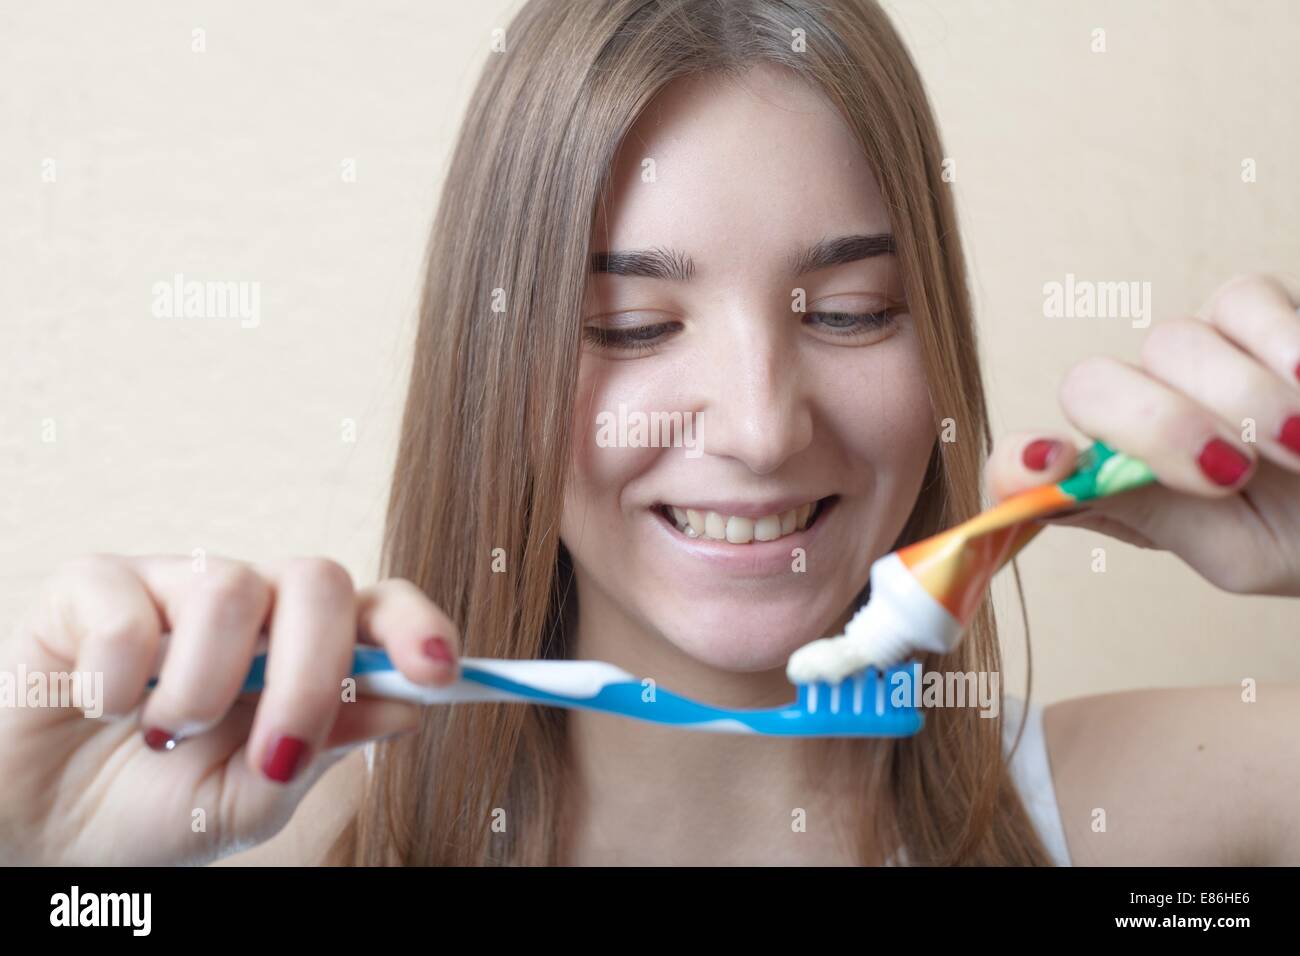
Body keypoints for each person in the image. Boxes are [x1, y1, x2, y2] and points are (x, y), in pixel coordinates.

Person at [2, 0, 1297, 867]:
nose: (756, 424)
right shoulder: (262, 841)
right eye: (628, 324)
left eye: (848, 312)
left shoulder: (1150, 819)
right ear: (489, 365)